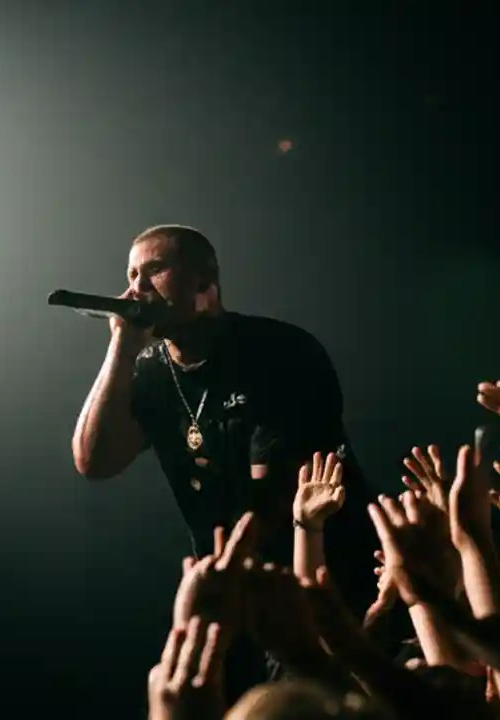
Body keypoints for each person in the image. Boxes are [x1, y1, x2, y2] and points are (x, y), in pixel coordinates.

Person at [71, 225, 378, 688]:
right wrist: (122, 347)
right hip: (234, 592)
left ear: (203, 280)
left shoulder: (278, 353)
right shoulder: (152, 370)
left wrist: (214, 596)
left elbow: (267, 502)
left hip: (324, 583)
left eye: (154, 270)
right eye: (131, 274)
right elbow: (94, 461)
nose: (136, 288)